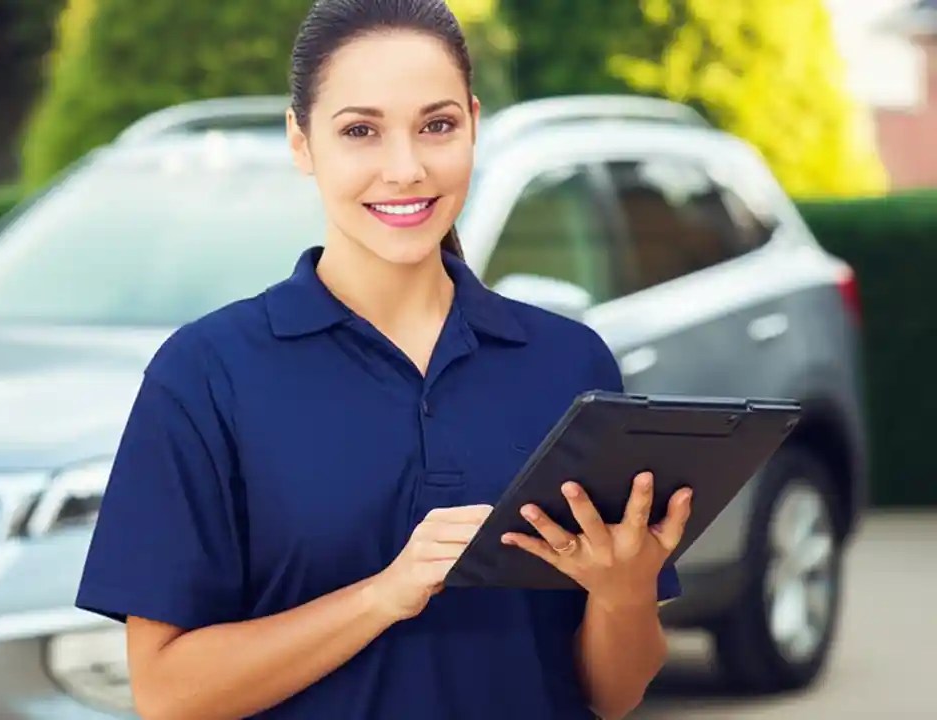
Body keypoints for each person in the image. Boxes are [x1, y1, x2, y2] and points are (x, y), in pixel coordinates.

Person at [74, 0, 694, 718]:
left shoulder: (568, 363)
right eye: (361, 131)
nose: (405, 169)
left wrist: (624, 596)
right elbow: (166, 694)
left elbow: (609, 698)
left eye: (437, 126)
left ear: (472, 124)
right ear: (301, 143)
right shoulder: (207, 375)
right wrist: (381, 596)